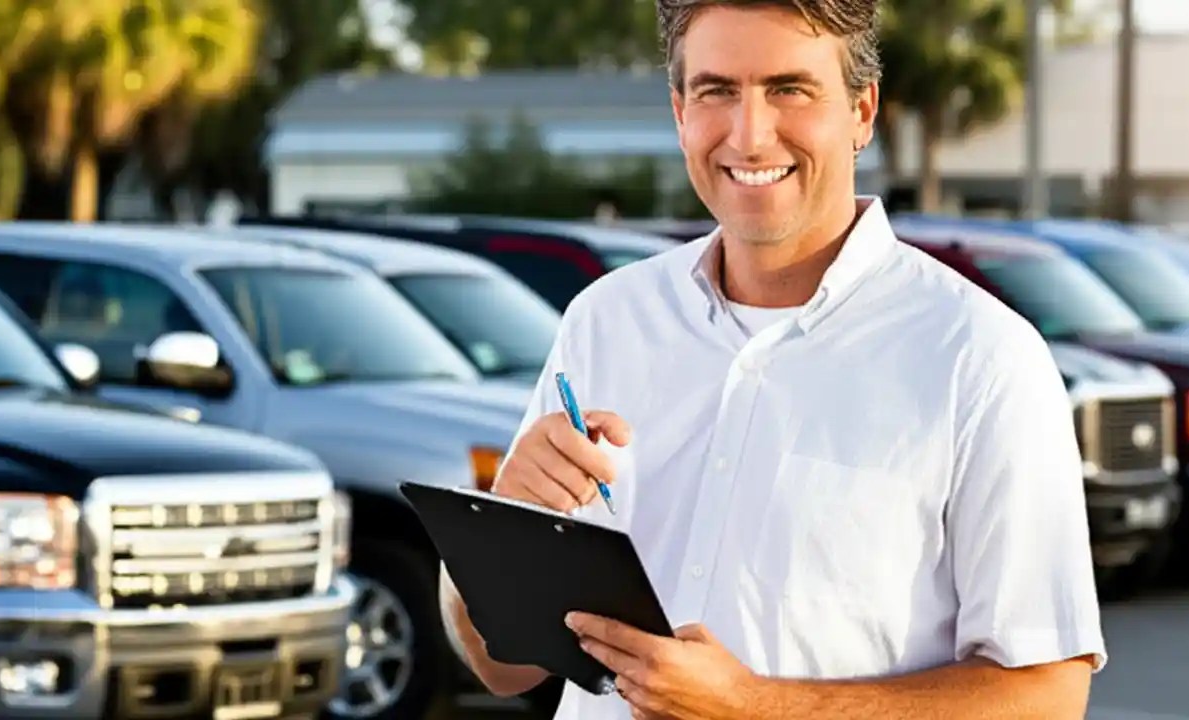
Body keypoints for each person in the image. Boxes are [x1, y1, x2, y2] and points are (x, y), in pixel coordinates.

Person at [439, 1, 1107, 717]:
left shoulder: (980, 356)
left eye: (789, 89)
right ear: (680, 113)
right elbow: (502, 670)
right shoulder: (604, 320)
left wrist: (754, 706)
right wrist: (496, 529)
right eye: (717, 91)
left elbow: (1048, 696)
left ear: (861, 110)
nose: (750, 136)